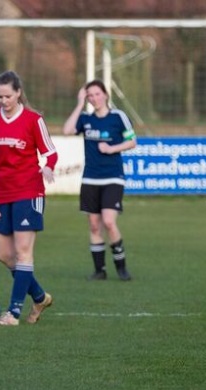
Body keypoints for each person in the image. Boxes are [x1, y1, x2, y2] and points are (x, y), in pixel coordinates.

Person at [0, 71, 57, 326]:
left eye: (8, 96)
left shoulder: (33, 119)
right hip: (0, 194)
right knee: (4, 255)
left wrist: (48, 167)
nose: (4, 101)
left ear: (18, 93)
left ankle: (13, 312)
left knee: (23, 252)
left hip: (28, 192)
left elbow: (50, 152)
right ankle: (40, 297)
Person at [62, 80, 137, 281]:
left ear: (105, 94)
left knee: (109, 222)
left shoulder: (118, 116)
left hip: (113, 177)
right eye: (90, 95)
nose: (94, 98)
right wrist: (79, 104)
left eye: (97, 94)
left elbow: (132, 141)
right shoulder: (85, 119)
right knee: (94, 225)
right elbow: (67, 130)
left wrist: (112, 148)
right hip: (90, 178)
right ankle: (99, 271)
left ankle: (121, 267)